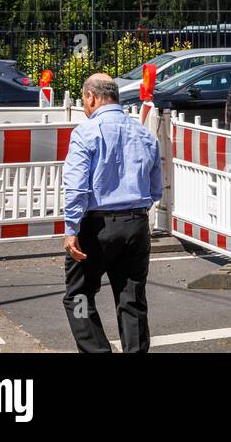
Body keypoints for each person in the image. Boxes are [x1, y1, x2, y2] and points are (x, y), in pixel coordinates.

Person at [62, 72, 162, 353]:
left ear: (91, 97)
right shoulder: (143, 133)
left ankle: (96, 350)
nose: (84, 105)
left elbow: (77, 188)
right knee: (131, 299)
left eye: (84, 99)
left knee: (78, 295)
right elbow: (156, 188)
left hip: (96, 228)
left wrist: (71, 228)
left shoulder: (86, 132)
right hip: (136, 224)